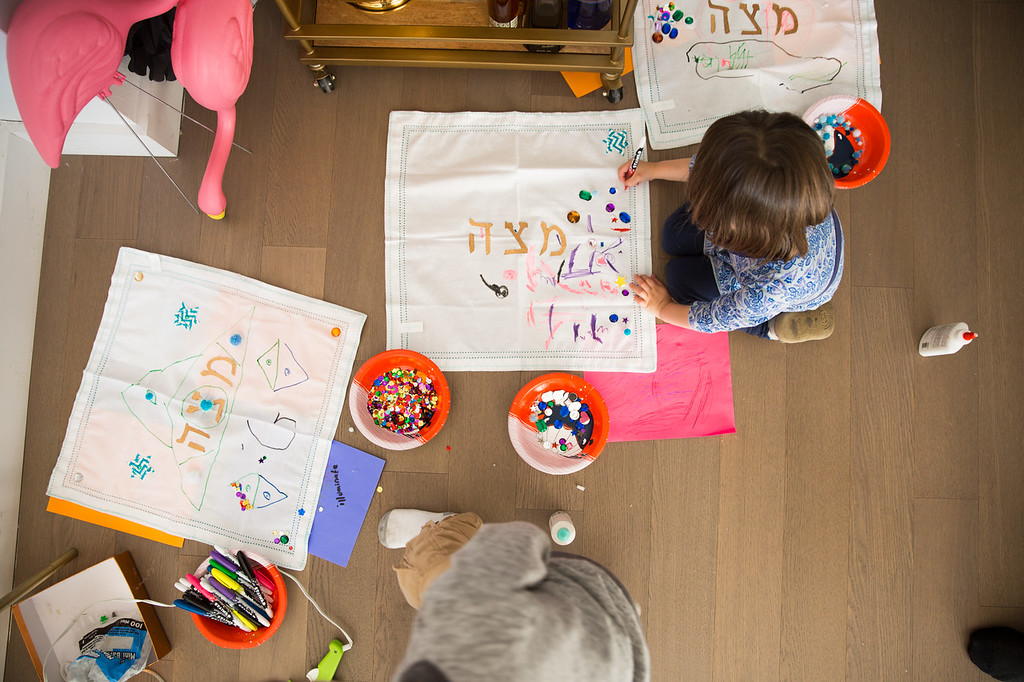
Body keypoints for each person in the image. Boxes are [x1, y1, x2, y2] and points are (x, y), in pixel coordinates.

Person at [620, 109, 844, 343]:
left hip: (775, 286)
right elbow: (704, 169)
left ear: (736, 229)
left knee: (680, 283)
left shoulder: (767, 290)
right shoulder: (781, 183)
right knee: (672, 234)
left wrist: (662, 306)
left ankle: (770, 328)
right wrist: (653, 170)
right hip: (760, 241)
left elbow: (712, 319)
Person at [377, 509, 650, 682]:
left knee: (428, 580)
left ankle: (446, 533)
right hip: (590, 615)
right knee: (431, 580)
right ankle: (446, 534)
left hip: (612, 638)